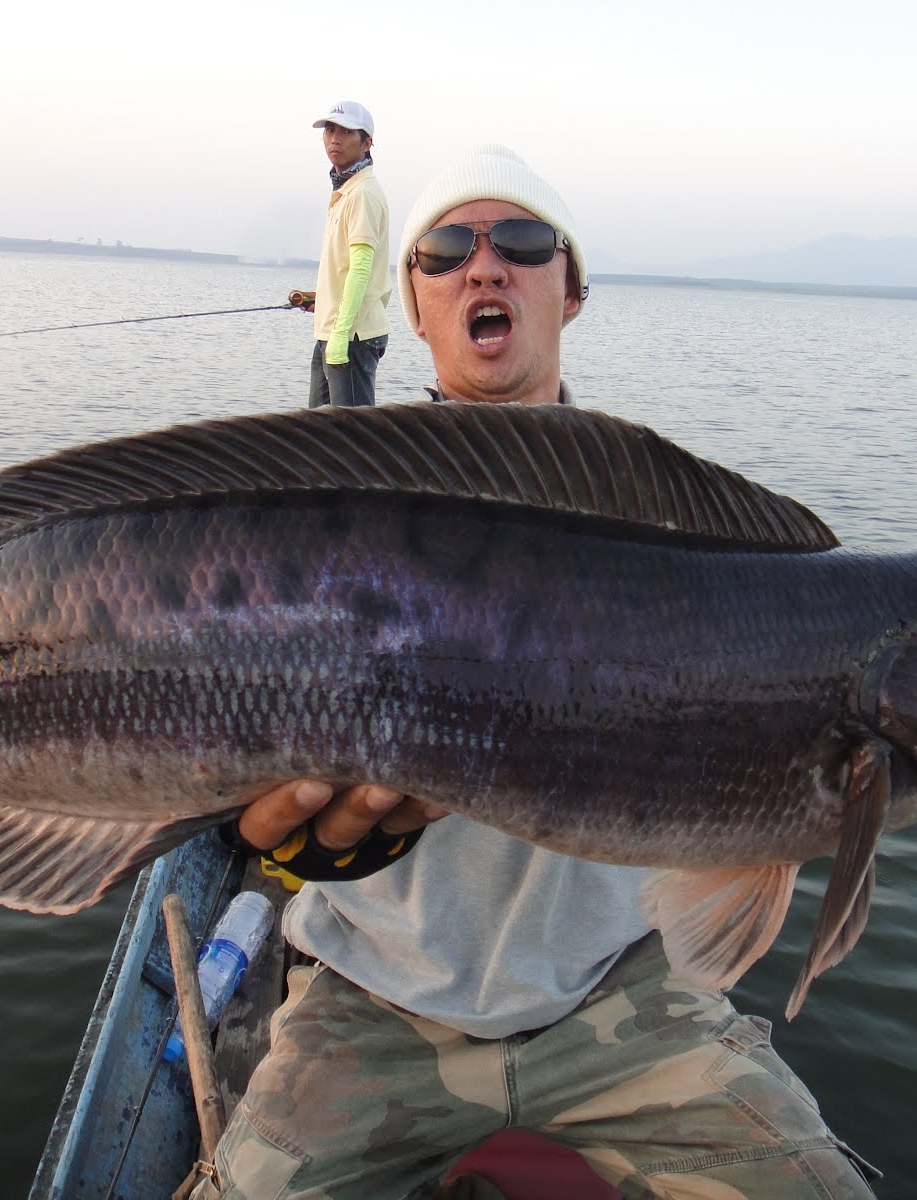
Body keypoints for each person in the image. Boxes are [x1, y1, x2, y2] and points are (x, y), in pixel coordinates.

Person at [213, 146, 878, 1199]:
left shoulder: (693, 527)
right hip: (371, 999)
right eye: (444, 251)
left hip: (624, 999)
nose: (485, 268)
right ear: (414, 307)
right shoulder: (324, 520)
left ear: (570, 292)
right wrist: (267, 838)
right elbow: (231, 774)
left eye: (521, 243)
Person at [303, 101, 392, 409]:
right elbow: (343, 268)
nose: (334, 139)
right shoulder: (346, 190)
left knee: (355, 441)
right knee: (316, 434)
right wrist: (320, 298)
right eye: (329, 130)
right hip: (332, 331)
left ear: (366, 142)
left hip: (352, 337)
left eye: (345, 132)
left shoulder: (363, 193)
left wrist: (341, 335)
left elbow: (362, 267)